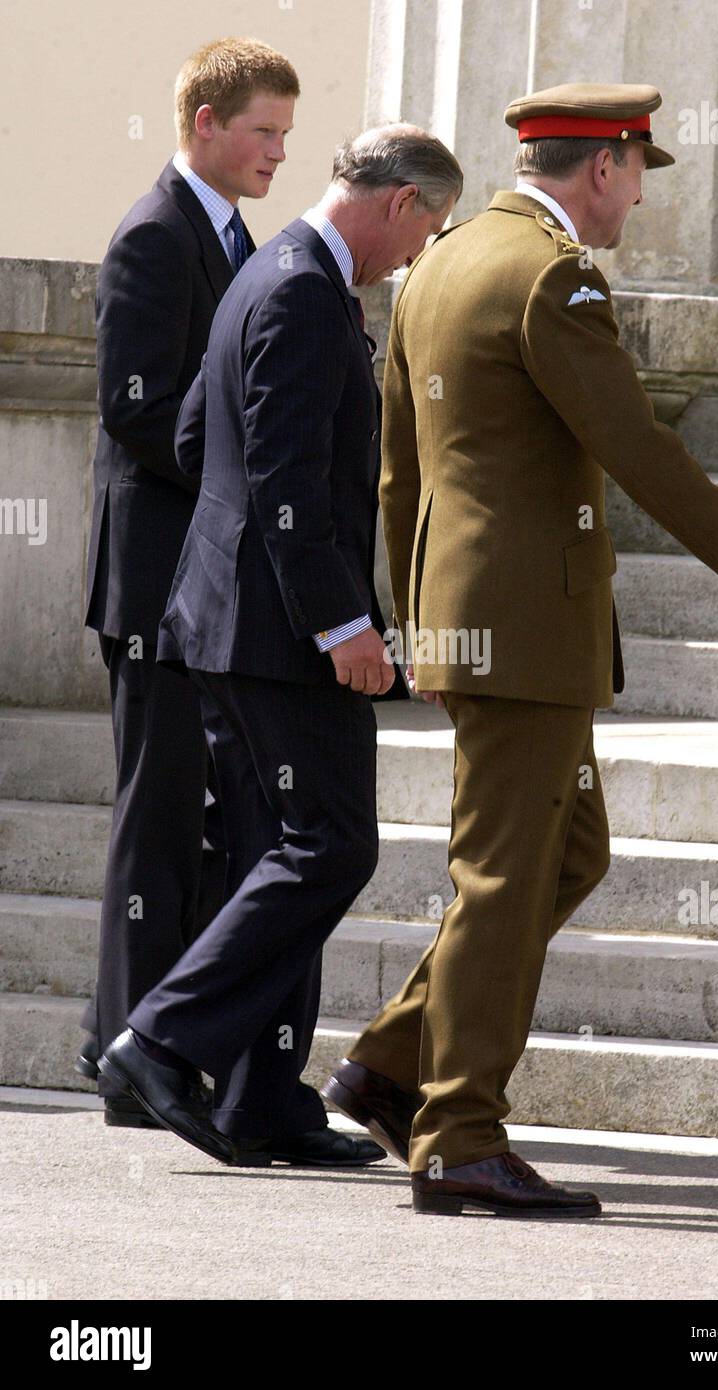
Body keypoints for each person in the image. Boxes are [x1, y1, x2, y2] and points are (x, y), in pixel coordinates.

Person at [322, 82, 718, 1218]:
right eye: (636, 175)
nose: (636, 199)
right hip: (526, 637)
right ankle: (457, 1132)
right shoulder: (554, 274)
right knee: (504, 875)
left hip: (468, 623)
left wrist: (417, 617)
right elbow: (637, 448)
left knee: (563, 852)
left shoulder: (438, 263)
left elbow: (397, 466)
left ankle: (392, 1061)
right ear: (600, 167)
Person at [98, 126, 463, 1167]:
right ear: (399, 204)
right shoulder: (304, 288)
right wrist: (341, 624)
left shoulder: (272, 267)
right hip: (277, 636)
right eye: (425, 231)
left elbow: (193, 440)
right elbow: (285, 477)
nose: (417, 255)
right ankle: (160, 1039)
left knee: (278, 848)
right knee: (329, 845)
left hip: (234, 621)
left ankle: (263, 1095)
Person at [79, 38, 303, 1131]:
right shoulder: (155, 235)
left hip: (197, 583)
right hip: (153, 581)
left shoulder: (225, 232)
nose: (275, 153)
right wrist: (240, 482)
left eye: (284, 136)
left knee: (198, 818)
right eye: (261, 131)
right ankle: (126, 1053)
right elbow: (132, 404)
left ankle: (147, 1038)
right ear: (205, 122)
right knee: (156, 818)